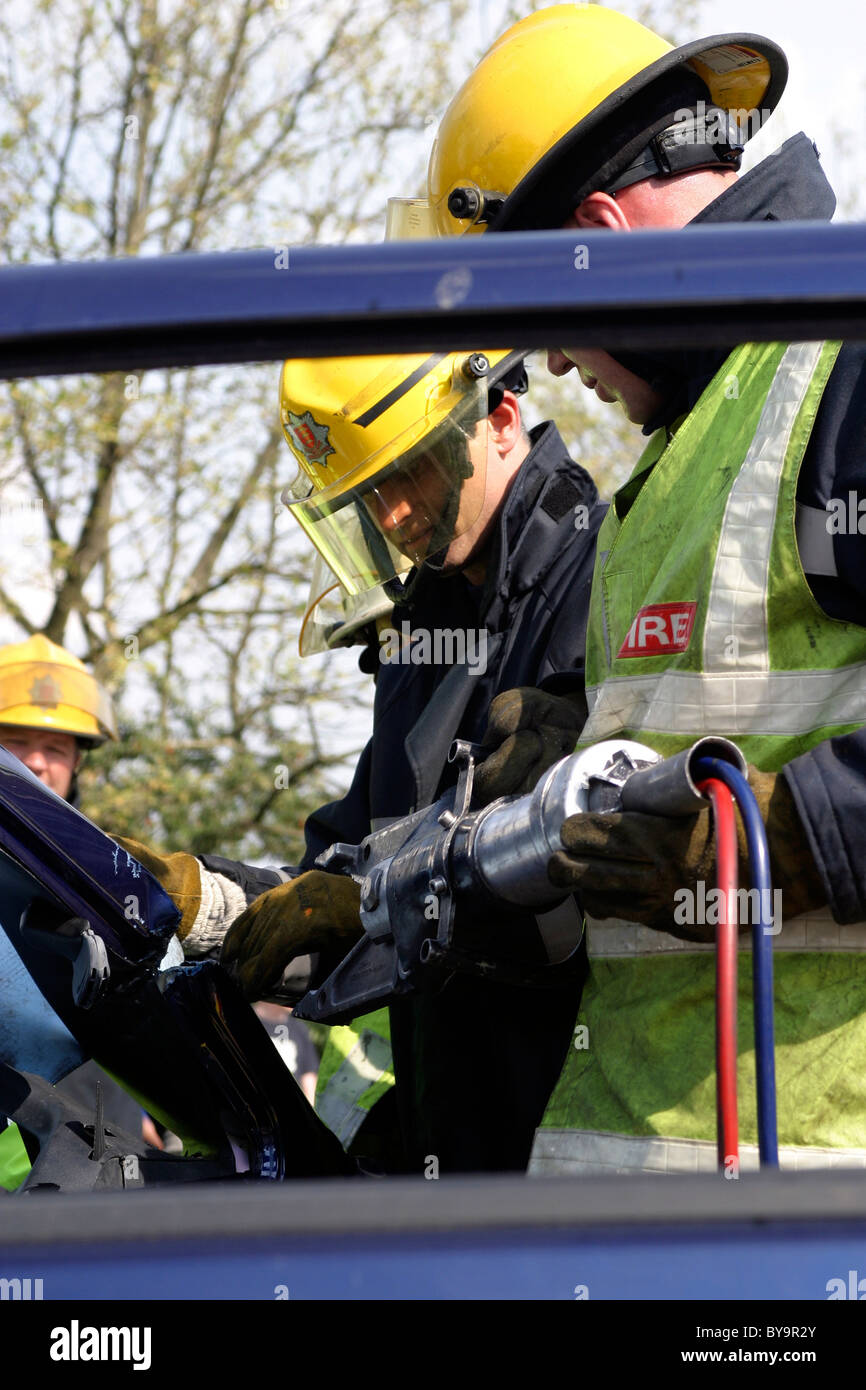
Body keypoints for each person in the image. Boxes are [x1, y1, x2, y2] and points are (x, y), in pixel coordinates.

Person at [424, 5, 866, 1173]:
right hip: (646, 1193)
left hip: (804, 1199)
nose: (559, 364)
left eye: (551, 324)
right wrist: (580, 733)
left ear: (604, 233)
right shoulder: (674, 464)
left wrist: (793, 834)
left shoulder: (844, 376)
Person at [137, 346, 606, 1173]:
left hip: (578, 1151)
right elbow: (339, 879)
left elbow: (568, 880)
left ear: (499, 420)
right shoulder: (423, 632)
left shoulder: (607, 574)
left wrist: (374, 904)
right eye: (364, 497)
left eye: (410, 473)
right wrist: (201, 901)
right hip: (457, 1148)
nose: (390, 517)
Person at [0, 634, 147, 1187]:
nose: (36, 762)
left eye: (56, 747)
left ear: (79, 762)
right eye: (14, 741)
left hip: (96, 1162)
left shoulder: (118, 874)